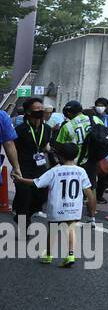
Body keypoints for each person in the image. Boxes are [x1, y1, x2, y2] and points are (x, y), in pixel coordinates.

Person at [16, 141, 90, 266]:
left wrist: (20, 179)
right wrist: (90, 204)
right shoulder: (81, 171)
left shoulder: (55, 171)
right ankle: (71, 255)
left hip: (57, 207)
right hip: (74, 207)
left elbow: (36, 183)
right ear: (76, 155)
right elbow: (88, 191)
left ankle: (49, 255)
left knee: (53, 230)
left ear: (60, 156)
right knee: (71, 228)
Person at [11, 96, 52, 228]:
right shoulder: (20, 130)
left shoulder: (47, 129)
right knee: (24, 197)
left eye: (42, 108)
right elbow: (13, 150)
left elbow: (45, 146)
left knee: (42, 197)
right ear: (28, 111)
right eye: (37, 108)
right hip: (23, 167)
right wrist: (15, 168)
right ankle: (23, 223)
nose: (41, 110)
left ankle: (25, 215)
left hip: (40, 167)